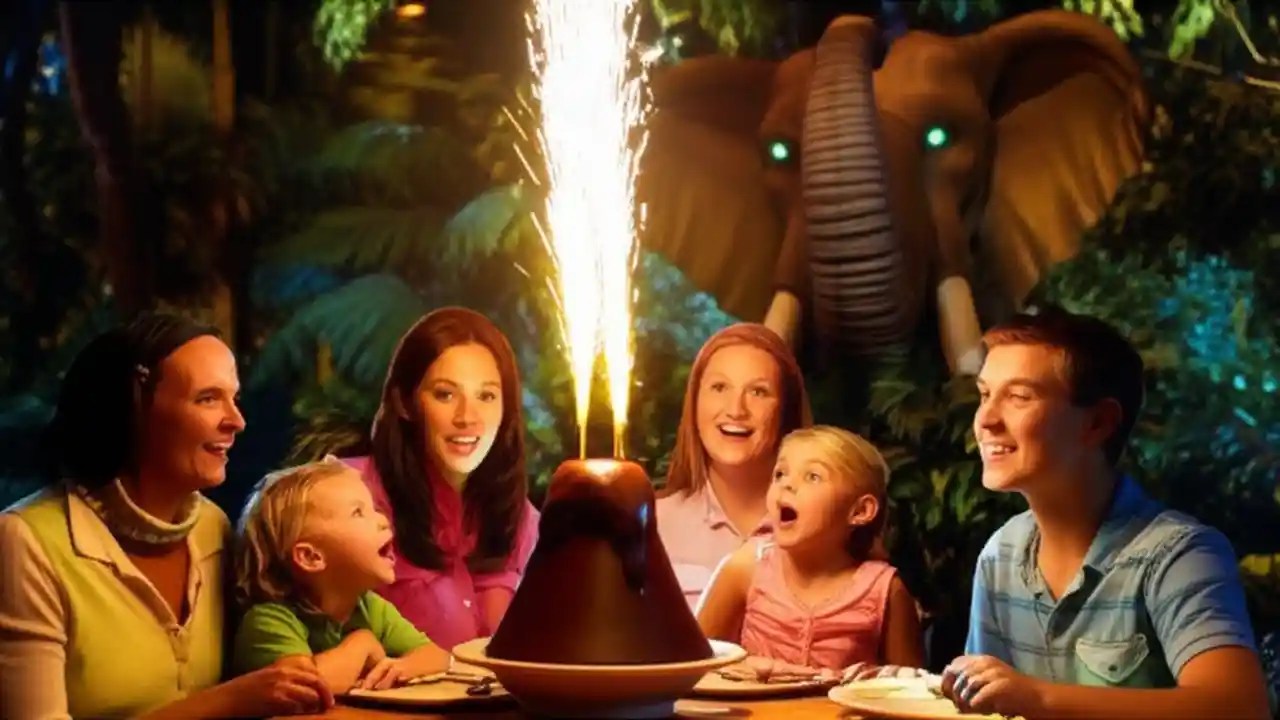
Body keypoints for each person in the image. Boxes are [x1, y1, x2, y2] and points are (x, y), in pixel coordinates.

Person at [0, 313, 333, 719]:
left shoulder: (214, 528)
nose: (237, 421)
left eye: (234, 398)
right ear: (132, 409)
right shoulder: (27, 541)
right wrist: (228, 700)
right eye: (208, 398)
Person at [943, 307, 1270, 719]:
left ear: (1098, 423)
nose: (986, 419)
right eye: (985, 394)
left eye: (1019, 397)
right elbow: (981, 706)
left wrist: (1039, 698)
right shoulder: (1002, 553)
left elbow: (1239, 709)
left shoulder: (1178, 555)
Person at [344, 307, 539, 649]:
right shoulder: (350, 494)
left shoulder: (522, 520)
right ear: (404, 403)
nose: (468, 417)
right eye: (445, 395)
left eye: (487, 396)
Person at [697, 425, 925, 681]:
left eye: (812, 476)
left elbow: (912, 690)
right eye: (780, 473)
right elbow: (691, 662)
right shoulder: (746, 568)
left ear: (860, 511)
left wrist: (877, 680)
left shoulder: (885, 590)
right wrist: (750, 668)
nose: (787, 485)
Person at [232, 458, 452, 694]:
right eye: (358, 513)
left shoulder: (370, 607)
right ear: (311, 557)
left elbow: (436, 656)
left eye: (374, 509)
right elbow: (304, 689)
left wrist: (402, 667)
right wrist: (362, 644)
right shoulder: (270, 620)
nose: (383, 520)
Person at [656, 323, 812, 608]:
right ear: (694, 402)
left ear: (786, 410)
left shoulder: (824, 530)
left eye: (758, 392)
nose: (736, 410)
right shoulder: (651, 526)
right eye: (719, 387)